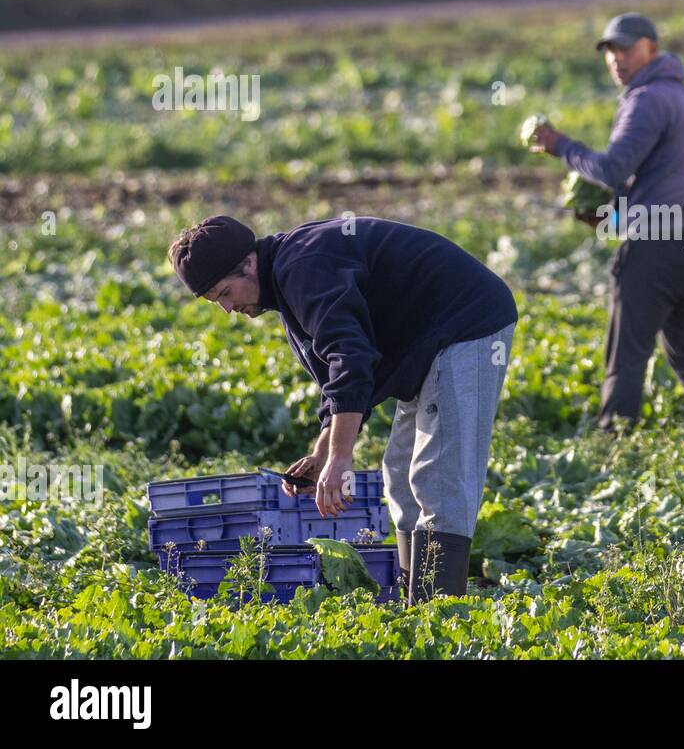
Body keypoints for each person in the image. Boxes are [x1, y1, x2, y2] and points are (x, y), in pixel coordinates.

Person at [166, 214, 518, 604]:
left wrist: (340, 456)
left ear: (248, 264)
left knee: (438, 478)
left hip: (467, 326)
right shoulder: (287, 281)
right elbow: (339, 377)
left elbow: (351, 358)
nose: (228, 309)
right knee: (400, 473)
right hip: (426, 341)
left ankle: (439, 615)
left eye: (225, 292)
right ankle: (416, 601)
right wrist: (322, 452)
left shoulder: (303, 268)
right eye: (217, 301)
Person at [530, 12, 684, 439]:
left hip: (661, 243)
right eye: (610, 51)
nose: (616, 59)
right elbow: (660, 186)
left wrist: (561, 146)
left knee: (627, 349)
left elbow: (612, 169)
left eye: (626, 49)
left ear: (652, 48)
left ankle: (615, 438)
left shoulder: (648, 99)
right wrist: (609, 219)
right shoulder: (679, 96)